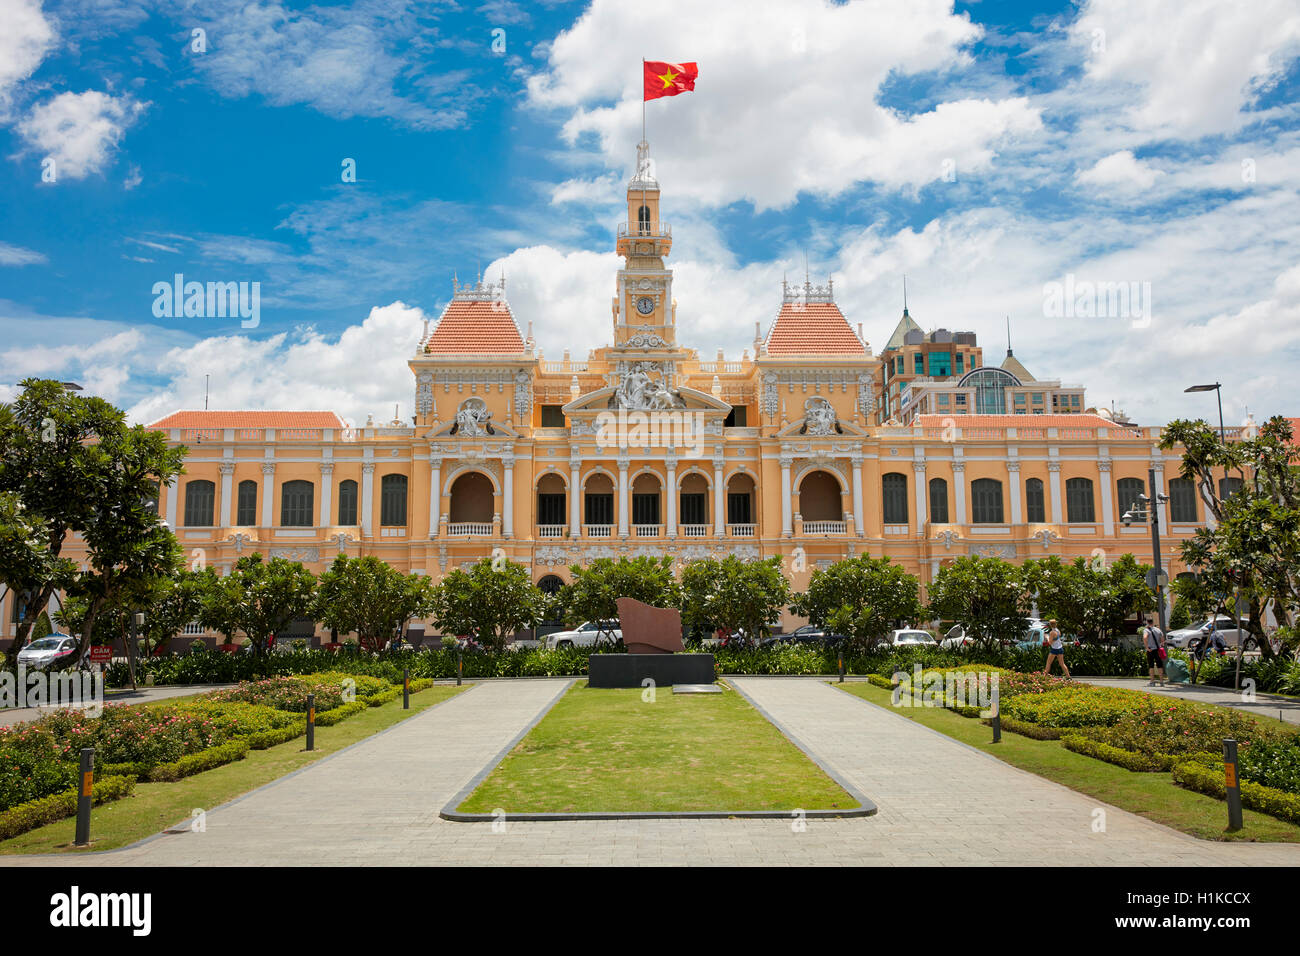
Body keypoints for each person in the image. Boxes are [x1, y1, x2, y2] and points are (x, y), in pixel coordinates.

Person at [1142, 614, 1166, 686]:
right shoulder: (1158, 630)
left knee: (1151, 666)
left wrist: (1147, 647)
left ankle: (1152, 681)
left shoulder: (1146, 630)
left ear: (1147, 622)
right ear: (1153, 622)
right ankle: (1161, 681)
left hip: (1150, 650)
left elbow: (1145, 637)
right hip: (1158, 650)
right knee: (1159, 665)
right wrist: (1161, 645)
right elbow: (1162, 639)